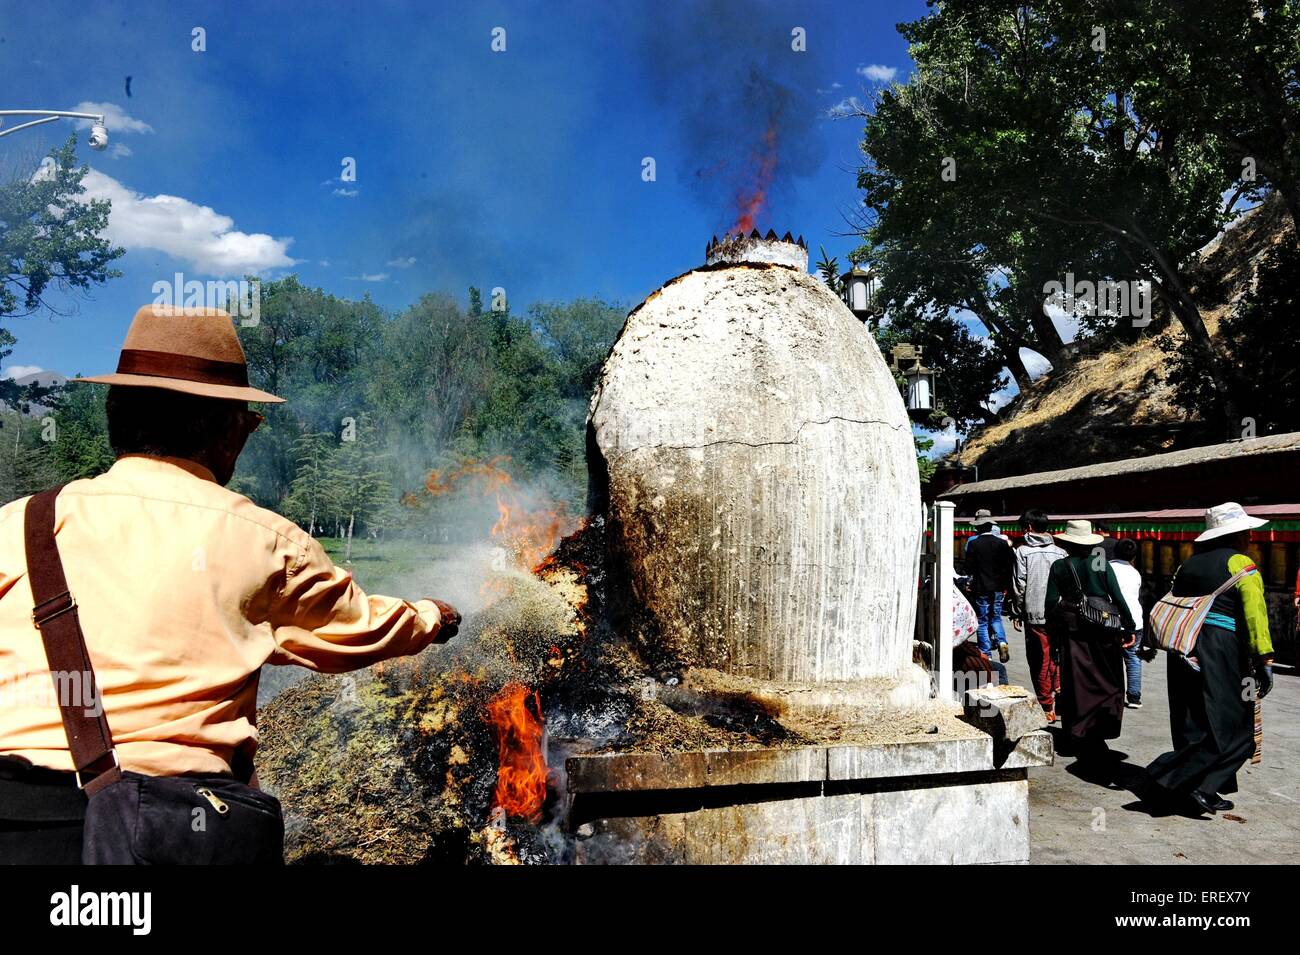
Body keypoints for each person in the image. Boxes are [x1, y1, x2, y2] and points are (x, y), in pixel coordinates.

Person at [0, 306, 462, 864]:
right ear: (226, 429)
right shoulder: (263, 541)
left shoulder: (19, 523)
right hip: (175, 830)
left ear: (114, 413)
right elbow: (357, 628)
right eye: (247, 421)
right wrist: (434, 616)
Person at [1144, 503, 1274, 816]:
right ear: (1237, 535)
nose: (1250, 539)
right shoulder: (1241, 564)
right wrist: (1264, 659)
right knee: (1238, 726)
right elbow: (1255, 614)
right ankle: (1185, 782)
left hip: (1184, 648)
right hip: (1222, 650)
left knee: (1194, 720)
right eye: (1246, 533)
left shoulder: (1188, 564)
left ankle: (1207, 788)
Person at [1045, 520, 1136, 770]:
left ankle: (1079, 733)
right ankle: (1100, 731)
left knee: (1077, 682)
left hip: (1072, 631)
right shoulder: (1099, 562)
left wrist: (1053, 638)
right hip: (1104, 629)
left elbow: (1051, 603)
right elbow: (1117, 596)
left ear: (1066, 542)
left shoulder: (1060, 566)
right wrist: (1129, 627)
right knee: (1109, 680)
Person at [1010, 509, 1066, 722]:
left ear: (1029, 528)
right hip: (1058, 613)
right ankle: (1059, 694)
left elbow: (1019, 585)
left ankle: (1046, 706)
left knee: (1039, 658)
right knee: (1056, 656)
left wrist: (1017, 611)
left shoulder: (1022, 552)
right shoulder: (1060, 552)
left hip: (1034, 613)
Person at [965, 511, 1014, 664]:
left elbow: (968, 568)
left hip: (981, 587)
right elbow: (1009, 567)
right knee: (996, 618)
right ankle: (1002, 642)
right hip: (998, 587)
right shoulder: (1002, 543)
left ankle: (987, 653)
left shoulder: (974, 544)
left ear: (978, 527)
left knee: (983, 621)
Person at [1110, 538, 1146, 708]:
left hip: (1113, 620)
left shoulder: (1108, 568)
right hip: (1135, 620)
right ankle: (1134, 697)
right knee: (1133, 658)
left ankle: (1112, 693)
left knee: (1111, 658)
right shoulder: (1135, 573)